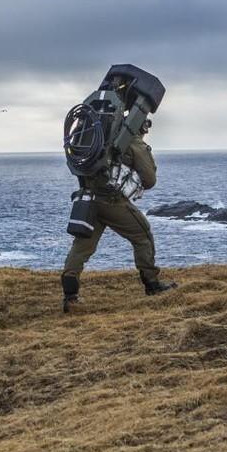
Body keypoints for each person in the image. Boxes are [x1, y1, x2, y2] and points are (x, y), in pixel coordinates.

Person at [62, 119, 176, 311]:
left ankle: (70, 297)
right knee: (143, 235)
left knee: (82, 246)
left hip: (89, 198)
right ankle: (152, 285)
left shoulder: (95, 134)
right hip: (112, 201)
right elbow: (149, 179)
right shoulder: (131, 140)